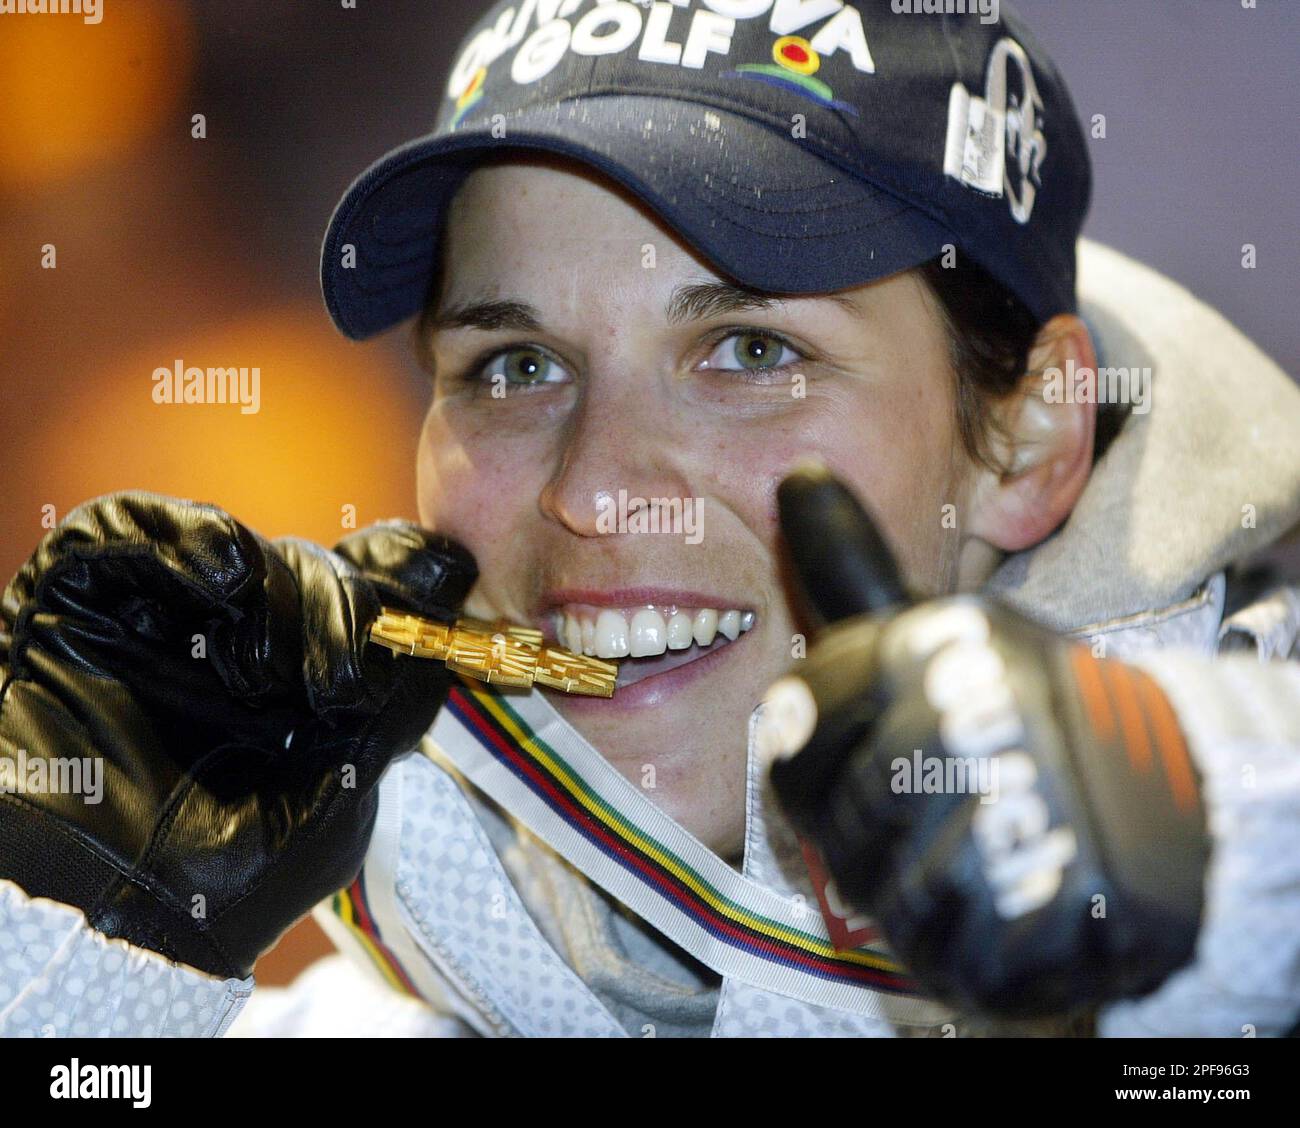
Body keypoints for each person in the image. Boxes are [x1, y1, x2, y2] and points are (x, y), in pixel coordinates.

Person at [2, 0, 1298, 1038]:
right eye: (515, 367)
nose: (591, 490)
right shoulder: (391, 999)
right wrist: (73, 954)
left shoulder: (1238, 951)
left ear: (1033, 433)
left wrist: (1211, 863)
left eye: (746, 349)